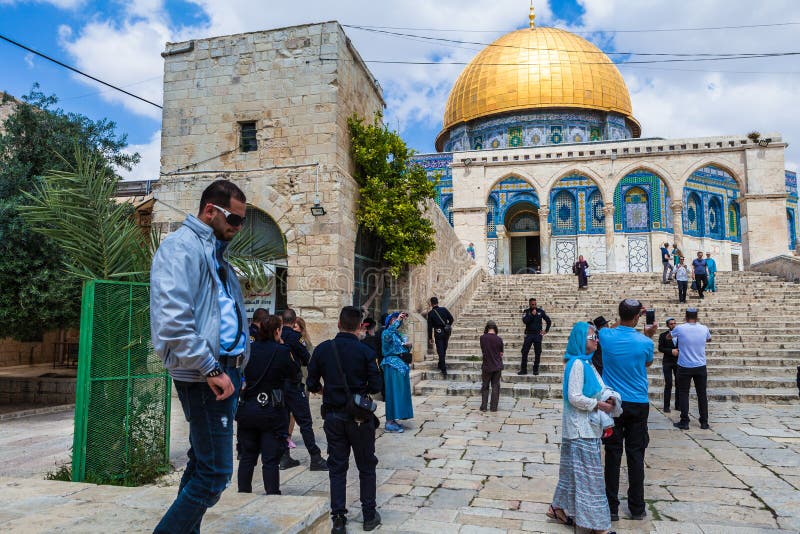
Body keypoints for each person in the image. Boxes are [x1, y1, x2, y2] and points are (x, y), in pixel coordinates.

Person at [150, 179, 250, 533]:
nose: (238, 228)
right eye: (234, 220)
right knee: (216, 473)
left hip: (225, 372)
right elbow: (172, 320)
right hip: (207, 374)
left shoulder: (214, 254)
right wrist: (211, 367)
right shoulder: (182, 248)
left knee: (200, 463)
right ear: (211, 211)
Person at [307, 306, 384, 534]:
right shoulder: (366, 352)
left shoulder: (322, 350)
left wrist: (326, 391)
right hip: (360, 418)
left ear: (339, 324)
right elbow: (377, 386)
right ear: (360, 327)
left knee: (337, 467)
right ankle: (369, 515)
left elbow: (311, 383)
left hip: (333, 415)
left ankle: (339, 519)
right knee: (366, 466)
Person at [549, 321, 619, 534]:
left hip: (582, 428)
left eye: (596, 337)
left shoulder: (587, 364)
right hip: (581, 429)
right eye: (592, 337)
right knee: (590, 478)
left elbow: (601, 387)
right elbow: (574, 397)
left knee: (571, 473)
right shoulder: (577, 364)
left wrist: (609, 397)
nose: (596, 340)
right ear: (581, 340)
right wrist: (598, 404)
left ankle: (557, 507)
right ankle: (596, 527)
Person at [599, 299, 657, 522]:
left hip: (613, 403)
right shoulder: (645, 342)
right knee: (636, 455)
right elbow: (647, 364)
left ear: (618, 314)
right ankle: (636, 507)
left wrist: (625, 321)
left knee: (612, 455)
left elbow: (609, 329)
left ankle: (611, 507)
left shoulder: (606, 336)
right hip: (637, 403)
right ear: (637, 317)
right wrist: (647, 334)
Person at [237, 314, 294, 495]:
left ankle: (243, 493)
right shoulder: (282, 352)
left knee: (247, 457)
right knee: (270, 459)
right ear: (278, 331)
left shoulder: (249, 350)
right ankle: (272, 494)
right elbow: (294, 375)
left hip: (249, 408)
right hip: (272, 410)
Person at [279, 308, 327, 471]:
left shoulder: (275, 336)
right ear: (293, 322)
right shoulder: (295, 337)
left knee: (284, 420)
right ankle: (315, 457)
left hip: (278, 385)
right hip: (293, 384)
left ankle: (284, 456)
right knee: (305, 421)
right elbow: (308, 359)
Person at [671, 308, 711, 430]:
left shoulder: (680, 328)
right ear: (697, 316)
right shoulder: (704, 328)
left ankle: (685, 421)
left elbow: (669, 336)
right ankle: (704, 422)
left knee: (684, 393)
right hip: (700, 365)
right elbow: (709, 339)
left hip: (684, 366)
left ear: (686, 316)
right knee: (702, 394)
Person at [381, 312, 414, 432]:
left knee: (400, 393)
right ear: (390, 321)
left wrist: (407, 346)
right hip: (392, 365)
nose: (398, 320)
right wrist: (398, 321)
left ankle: (395, 418)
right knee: (392, 392)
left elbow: (400, 347)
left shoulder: (397, 334)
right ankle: (389, 422)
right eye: (394, 318)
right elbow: (387, 337)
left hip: (400, 365)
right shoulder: (386, 332)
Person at [287, 316, 313, 450]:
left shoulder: (304, 342)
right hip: (294, 380)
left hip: (303, 379)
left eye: (295, 327)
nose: (293, 330)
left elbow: (309, 360)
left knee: (299, 413)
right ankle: (288, 437)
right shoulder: (290, 340)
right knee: (290, 412)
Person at [518, 298, 552, 376]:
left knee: (538, 352)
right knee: (524, 351)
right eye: (532, 304)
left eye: (535, 304)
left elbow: (548, 321)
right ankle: (523, 370)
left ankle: (535, 369)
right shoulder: (526, 312)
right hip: (529, 334)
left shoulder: (540, 311)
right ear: (529, 304)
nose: (534, 305)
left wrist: (546, 331)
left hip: (537, 335)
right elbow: (525, 321)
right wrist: (532, 315)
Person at [479, 321, 504, 412]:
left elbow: (483, 350)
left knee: (485, 386)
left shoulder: (482, 338)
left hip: (486, 365)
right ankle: (493, 407)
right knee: (495, 386)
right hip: (497, 366)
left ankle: (484, 406)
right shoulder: (499, 339)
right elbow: (501, 353)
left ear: (487, 328)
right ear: (495, 328)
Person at [427, 297, 454, 377]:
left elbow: (429, 327)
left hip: (438, 332)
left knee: (440, 350)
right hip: (446, 332)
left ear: (431, 304)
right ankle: (440, 364)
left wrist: (430, 338)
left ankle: (443, 369)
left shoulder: (431, 313)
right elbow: (451, 319)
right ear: (437, 302)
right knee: (444, 348)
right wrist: (448, 325)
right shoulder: (444, 309)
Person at [657, 318, 679, 413]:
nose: (673, 325)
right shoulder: (663, 335)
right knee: (668, 383)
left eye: (674, 323)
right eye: (671, 324)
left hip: (679, 362)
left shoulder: (681, 335)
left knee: (679, 384)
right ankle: (666, 406)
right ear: (667, 325)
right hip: (667, 362)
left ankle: (678, 405)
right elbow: (660, 348)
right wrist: (671, 351)